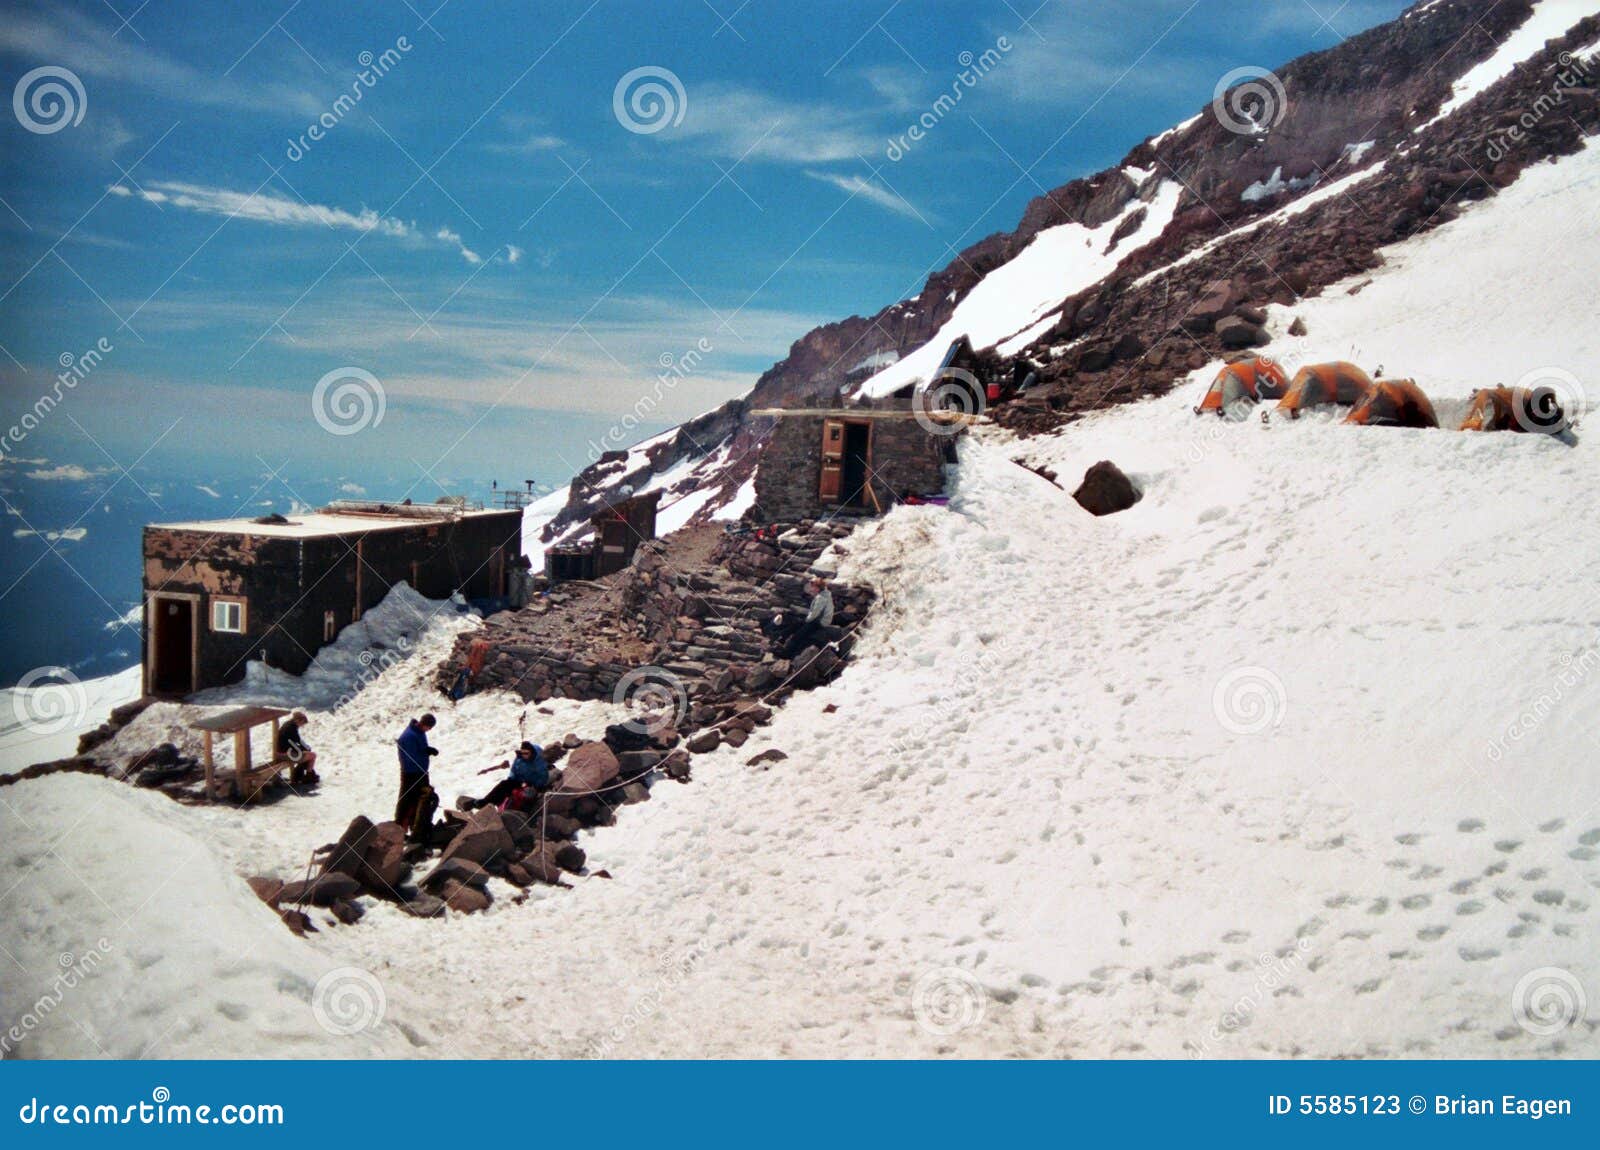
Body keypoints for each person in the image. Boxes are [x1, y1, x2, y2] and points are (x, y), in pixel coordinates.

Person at [462, 741, 549, 811]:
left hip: (532, 785)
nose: (524, 755)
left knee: (523, 795)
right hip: (520, 782)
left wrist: (531, 783)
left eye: (526, 753)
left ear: (532, 752)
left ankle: (495, 808)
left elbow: (543, 778)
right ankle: (482, 803)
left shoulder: (538, 762)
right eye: (522, 753)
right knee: (504, 785)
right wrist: (514, 781)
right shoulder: (519, 759)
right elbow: (514, 772)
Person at [395, 713, 439, 841]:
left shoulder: (419, 732)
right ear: (424, 724)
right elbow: (410, 758)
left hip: (420, 773)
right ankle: (400, 828)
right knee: (407, 801)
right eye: (429, 727)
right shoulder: (408, 737)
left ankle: (417, 826)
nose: (429, 730)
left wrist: (427, 750)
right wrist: (426, 751)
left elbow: (420, 749)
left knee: (421, 801)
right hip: (411, 774)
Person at [778, 577, 834, 659]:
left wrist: (806, 620)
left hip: (820, 622)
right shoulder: (824, 595)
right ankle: (782, 638)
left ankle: (786, 654)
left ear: (818, 588)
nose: (811, 588)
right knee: (797, 623)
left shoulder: (821, 598)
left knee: (799, 635)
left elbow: (814, 614)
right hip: (819, 619)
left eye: (813, 587)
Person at [276, 711, 319, 785]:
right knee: (313, 755)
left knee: (307, 754)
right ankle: (308, 775)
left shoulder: (288, 725)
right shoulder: (291, 728)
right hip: (285, 754)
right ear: (298, 720)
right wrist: (304, 750)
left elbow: (295, 742)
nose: (301, 725)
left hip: (281, 751)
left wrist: (304, 749)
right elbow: (295, 742)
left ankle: (301, 775)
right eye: (302, 723)